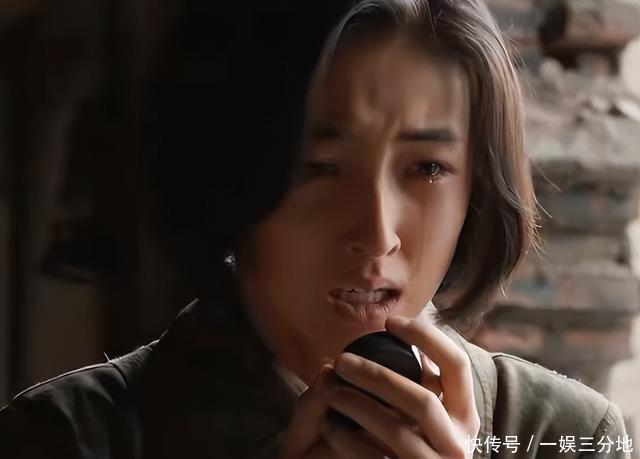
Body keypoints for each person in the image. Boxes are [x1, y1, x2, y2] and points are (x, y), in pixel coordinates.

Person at [0, 0, 631, 458]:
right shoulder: (68, 437)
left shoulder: (564, 435)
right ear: (229, 178)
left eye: (428, 168)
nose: (378, 234)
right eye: (319, 167)